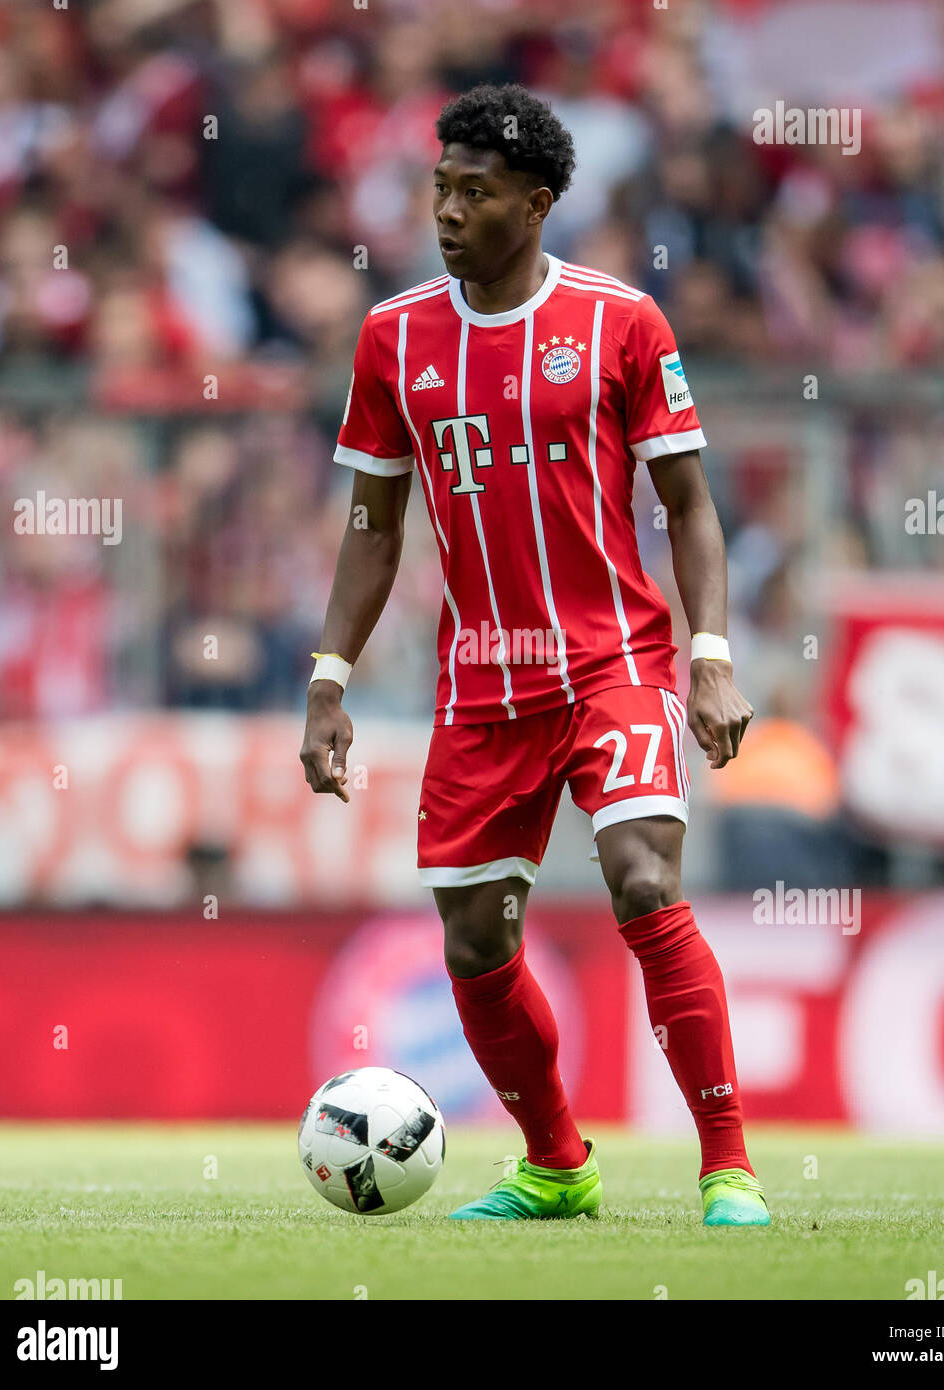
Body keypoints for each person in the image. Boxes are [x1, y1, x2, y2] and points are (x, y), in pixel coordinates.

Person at [300, 83, 769, 1226]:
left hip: (613, 663)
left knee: (643, 878)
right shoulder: (392, 337)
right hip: (481, 687)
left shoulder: (621, 323)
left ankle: (727, 1166)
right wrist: (328, 679)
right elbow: (373, 527)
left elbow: (689, 504)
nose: (448, 212)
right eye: (439, 189)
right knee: (474, 941)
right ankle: (557, 1165)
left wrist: (709, 654)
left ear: (537, 203)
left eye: (476, 193)